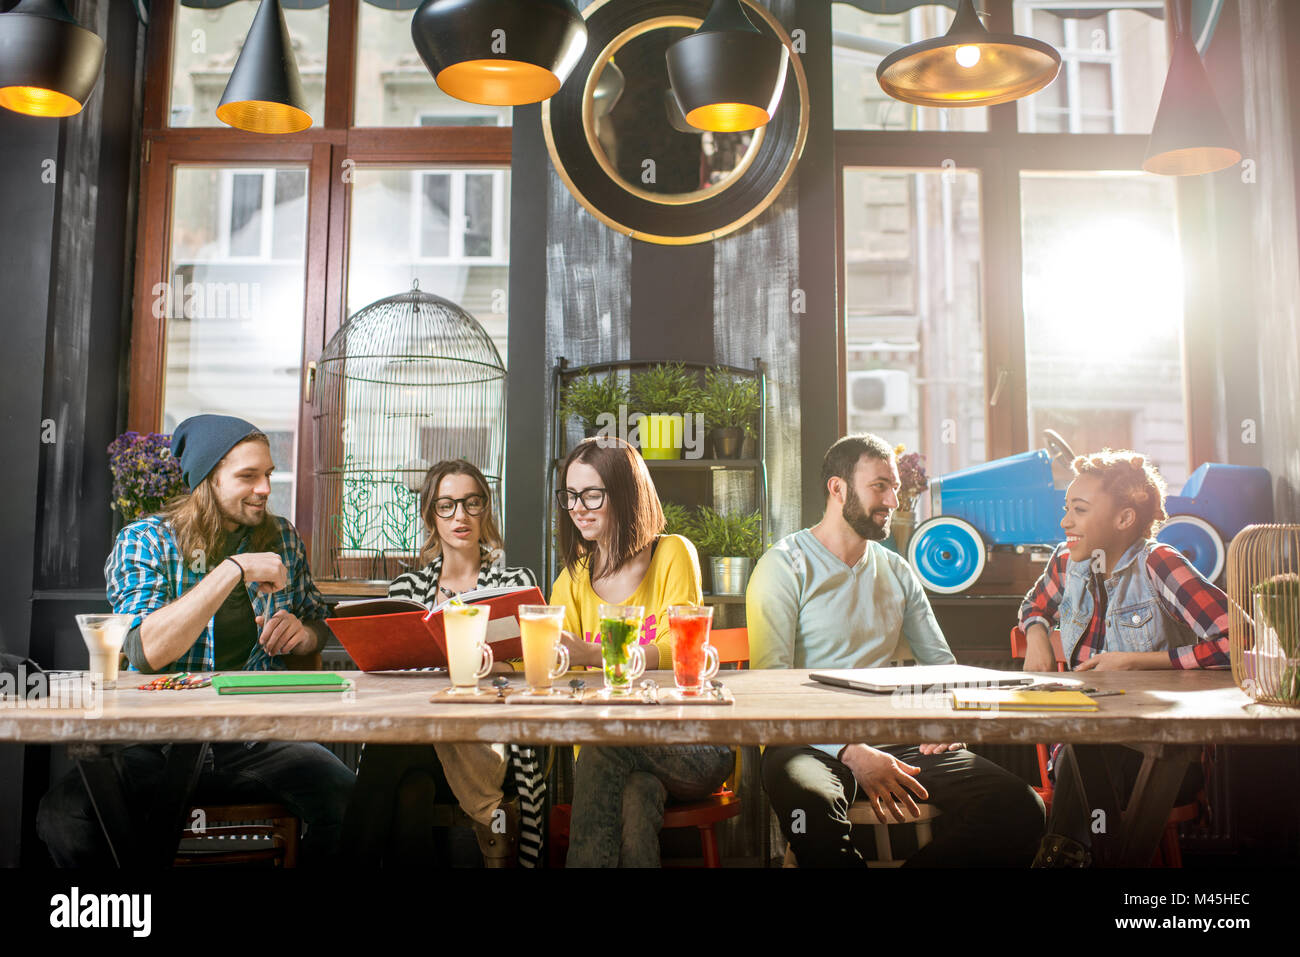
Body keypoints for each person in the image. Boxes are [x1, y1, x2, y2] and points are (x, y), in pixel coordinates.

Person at [37, 414, 355, 866]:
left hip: (253, 740)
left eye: (267, 473)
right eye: (248, 476)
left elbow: (318, 624)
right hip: (156, 745)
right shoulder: (145, 541)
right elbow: (146, 651)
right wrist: (233, 569)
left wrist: (303, 634)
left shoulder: (281, 537)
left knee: (349, 801)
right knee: (62, 816)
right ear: (207, 480)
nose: (265, 487)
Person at [749, 434, 1045, 867]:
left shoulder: (895, 568)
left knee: (1018, 809)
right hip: (803, 741)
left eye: (895, 488)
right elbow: (770, 688)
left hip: (897, 736)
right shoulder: (784, 565)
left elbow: (941, 665)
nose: (894, 499)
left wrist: (947, 720)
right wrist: (850, 751)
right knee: (811, 812)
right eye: (880, 486)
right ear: (838, 489)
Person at [1018, 449, 1230, 866]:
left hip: (1162, 754)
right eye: (1067, 509)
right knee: (1086, 747)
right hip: (1083, 746)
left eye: (1079, 510)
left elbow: (1238, 642)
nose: (1065, 522)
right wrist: (1038, 632)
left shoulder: (1160, 564)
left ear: (1124, 520)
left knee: (1088, 749)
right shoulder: (1066, 561)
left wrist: (1140, 662)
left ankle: (1057, 858)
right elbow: (1032, 606)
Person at [340, 459, 542, 867]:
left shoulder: (514, 582)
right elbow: (387, 673)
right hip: (420, 735)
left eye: (471, 503)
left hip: (485, 741)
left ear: (486, 509)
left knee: (388, 753)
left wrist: (493, 669)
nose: (460, 516)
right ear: (431, 515)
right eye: (446, 505)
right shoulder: (406, 589)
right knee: (410, 788)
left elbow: (533, 670)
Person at [552, 437, 733, 867]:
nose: (578, 507)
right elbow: (551, 659)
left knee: (603, 739)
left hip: (691, 745)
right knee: (638, 796)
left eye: (592, 494)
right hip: (617, 756)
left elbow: (683, 647)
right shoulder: (574, 578)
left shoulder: (671, 553)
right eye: (571, 495)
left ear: (627, 494)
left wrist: (594, 654)